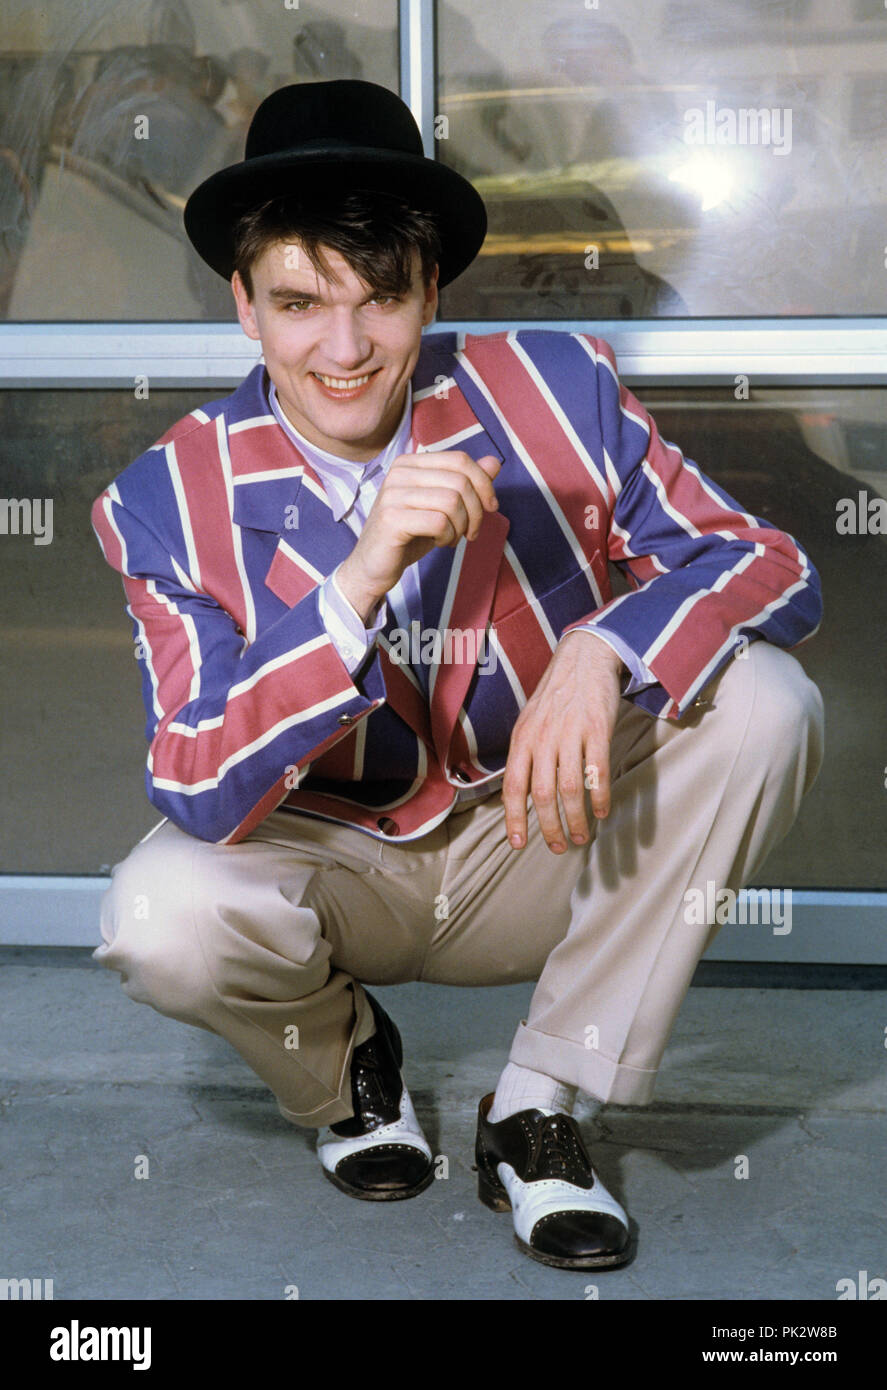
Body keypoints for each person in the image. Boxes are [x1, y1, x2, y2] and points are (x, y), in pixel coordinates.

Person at [90, 80, 825, 1272]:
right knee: (156, 911)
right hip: (326, 865)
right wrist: (356, 578)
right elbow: (195, 777)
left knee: (763, 702)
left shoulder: (553, 389)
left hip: (533, 838)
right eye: (297, 302)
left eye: (378, 299)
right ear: (243, 306)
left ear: (430, 289)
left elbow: (767, 565)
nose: (342, 349)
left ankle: (538, 1104)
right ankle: (343, 1068)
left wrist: (604, 648)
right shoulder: (162, 502)